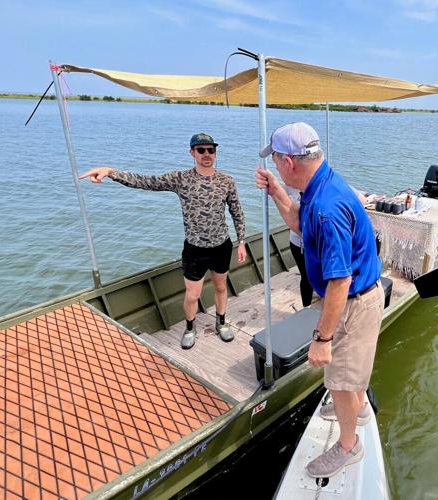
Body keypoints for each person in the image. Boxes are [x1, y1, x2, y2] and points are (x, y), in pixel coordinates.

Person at [255, 122, 384, 478]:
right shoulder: (319, 185)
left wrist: (322, 339)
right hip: (354, 301)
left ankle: (348, 446)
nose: (277, 166)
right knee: (349, 375)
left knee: (339, 381)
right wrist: (278, 193)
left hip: (352, 304)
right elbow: (300, 225)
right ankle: (355, 409)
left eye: (277, 161)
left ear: (290, 162)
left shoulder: (328, 208)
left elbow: (340, 280)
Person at [79, 133, 247, 348]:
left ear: (215, 153)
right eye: (201, 150)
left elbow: (237, 212)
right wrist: (111, 172)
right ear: (192, 153)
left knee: (221, 288)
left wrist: (241, 241)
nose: (206, 154)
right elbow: (147, 182)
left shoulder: (227, 181)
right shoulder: (180, 179)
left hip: (221, 246)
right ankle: (189, 327)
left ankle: (221, 323)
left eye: (210, 150)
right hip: (195, 249)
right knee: (192, 294)